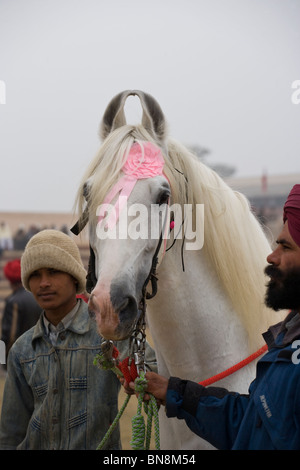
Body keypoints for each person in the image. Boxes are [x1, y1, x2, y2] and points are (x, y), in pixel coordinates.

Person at [130, 184, 300, 450]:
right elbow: (250, 423)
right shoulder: (288, 336)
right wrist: (175, 392)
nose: (271, 255)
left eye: (285, 247)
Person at [0, 229, 156, 450]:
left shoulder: (107, 334)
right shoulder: (22, 350)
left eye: (53, 272)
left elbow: (153, 373)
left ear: (74, 277)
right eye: (35, 275)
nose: (44, 283)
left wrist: (139, 378)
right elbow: (10, 433)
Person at [1, 259, 42, 363]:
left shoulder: (13, 301)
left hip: (19, 358)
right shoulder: (39, 297)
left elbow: (9, 335)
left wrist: (2, 359)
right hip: (40, 355)